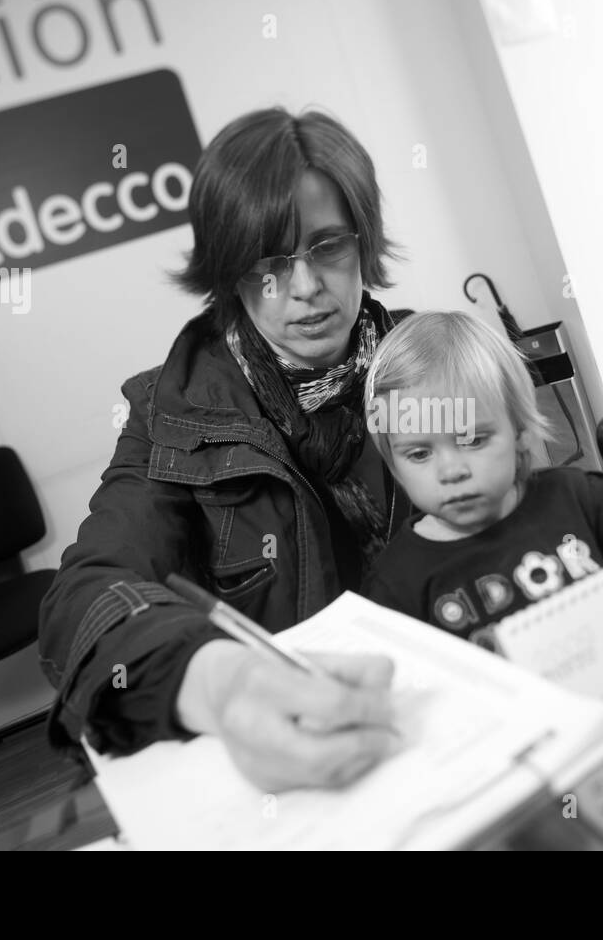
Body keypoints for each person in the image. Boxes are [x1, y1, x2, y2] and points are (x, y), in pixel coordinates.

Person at [38, 108, 410, 793]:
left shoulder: (434, 363)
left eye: (328, 246)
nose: (305, 287)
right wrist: (221, 682)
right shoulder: (172, 412)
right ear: (231, 274)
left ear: (364, 242)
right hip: (306, 770)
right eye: (268, 262)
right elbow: (83, 600)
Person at [361, 311, 603, 649]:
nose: (451, 471)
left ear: (520, 433)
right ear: (395, 466)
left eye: (473, 440)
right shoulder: (395, 585)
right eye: (420, 454)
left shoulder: (582, 498)